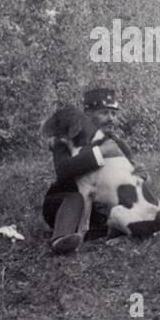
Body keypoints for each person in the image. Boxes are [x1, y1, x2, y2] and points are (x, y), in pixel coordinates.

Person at [41, 87, 142, 253]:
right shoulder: (65, 139)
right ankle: (61, 239)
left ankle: (109, 231)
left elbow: (132, 178)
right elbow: (63, 171)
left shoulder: (117, 143)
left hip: (101, 209)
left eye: (114, 113)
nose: (111, 119)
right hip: (65, 203)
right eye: (104, 113)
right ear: (87, 115)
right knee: (77, 197)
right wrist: (99, 153)